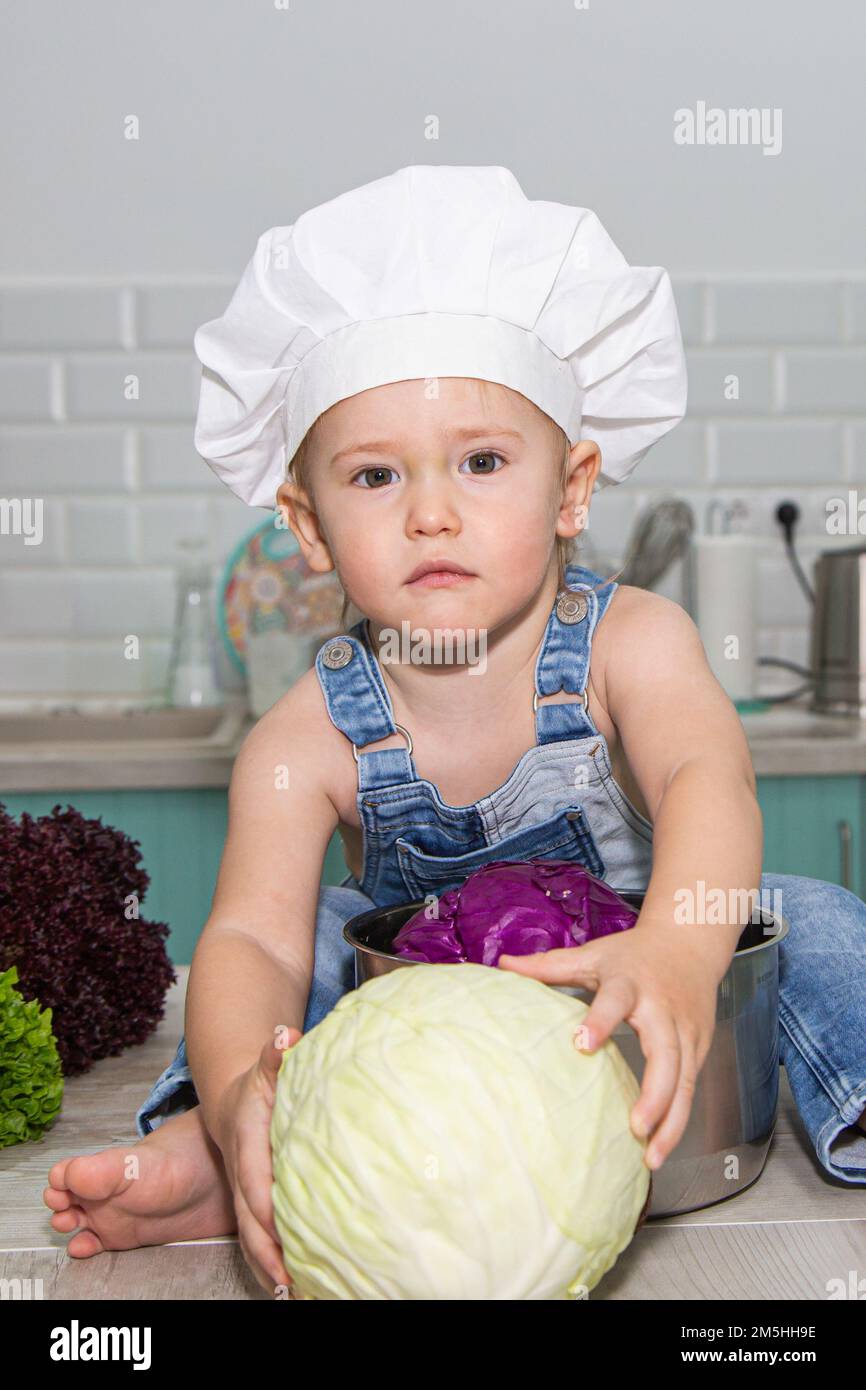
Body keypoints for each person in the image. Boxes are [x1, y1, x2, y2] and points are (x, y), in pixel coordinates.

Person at [43, 166, 866, 1296]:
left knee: (802, 911)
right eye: (375, 475)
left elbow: (703, 780)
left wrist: (677, 947)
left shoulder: (632, 642)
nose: (432, 509)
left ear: (570, 487)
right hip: (424, 1041)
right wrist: (242, 1074)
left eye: (482, 462)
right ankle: (229, 1135)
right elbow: (252, 945)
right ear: (309, 525)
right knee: (316, 935)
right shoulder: (302, 739)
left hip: (624, 991)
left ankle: (858, 1097)